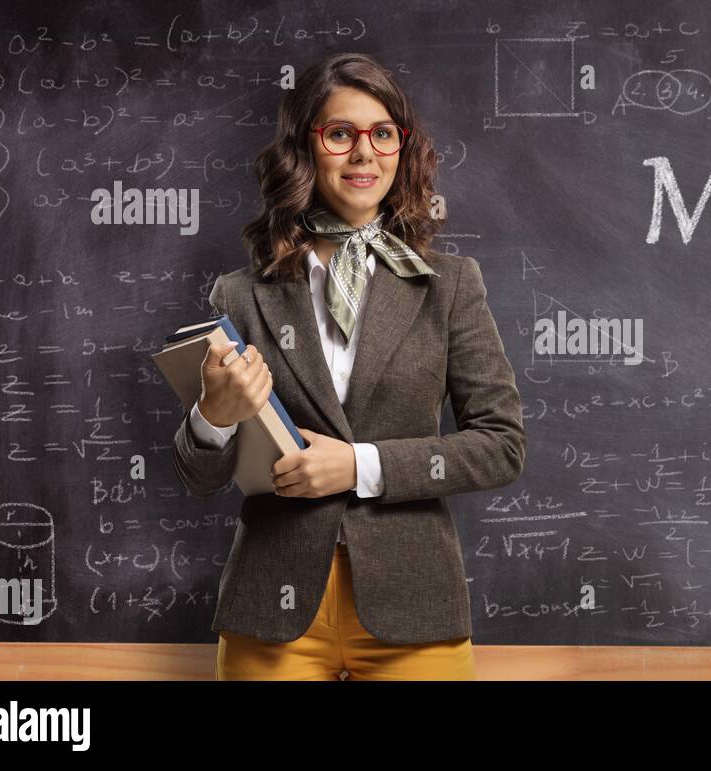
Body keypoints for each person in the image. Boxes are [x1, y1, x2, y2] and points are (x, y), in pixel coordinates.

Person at [170, 52, 526, 680]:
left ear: (401, 150)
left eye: (382, 134)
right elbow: (199, 478)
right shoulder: (240, 294)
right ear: (305, 150)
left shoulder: (450, 285)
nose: (365, 153)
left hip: (413, 606)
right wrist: (213, 418)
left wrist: (359, 465)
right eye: (340, 133)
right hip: (274, 607)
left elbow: (500, 446)